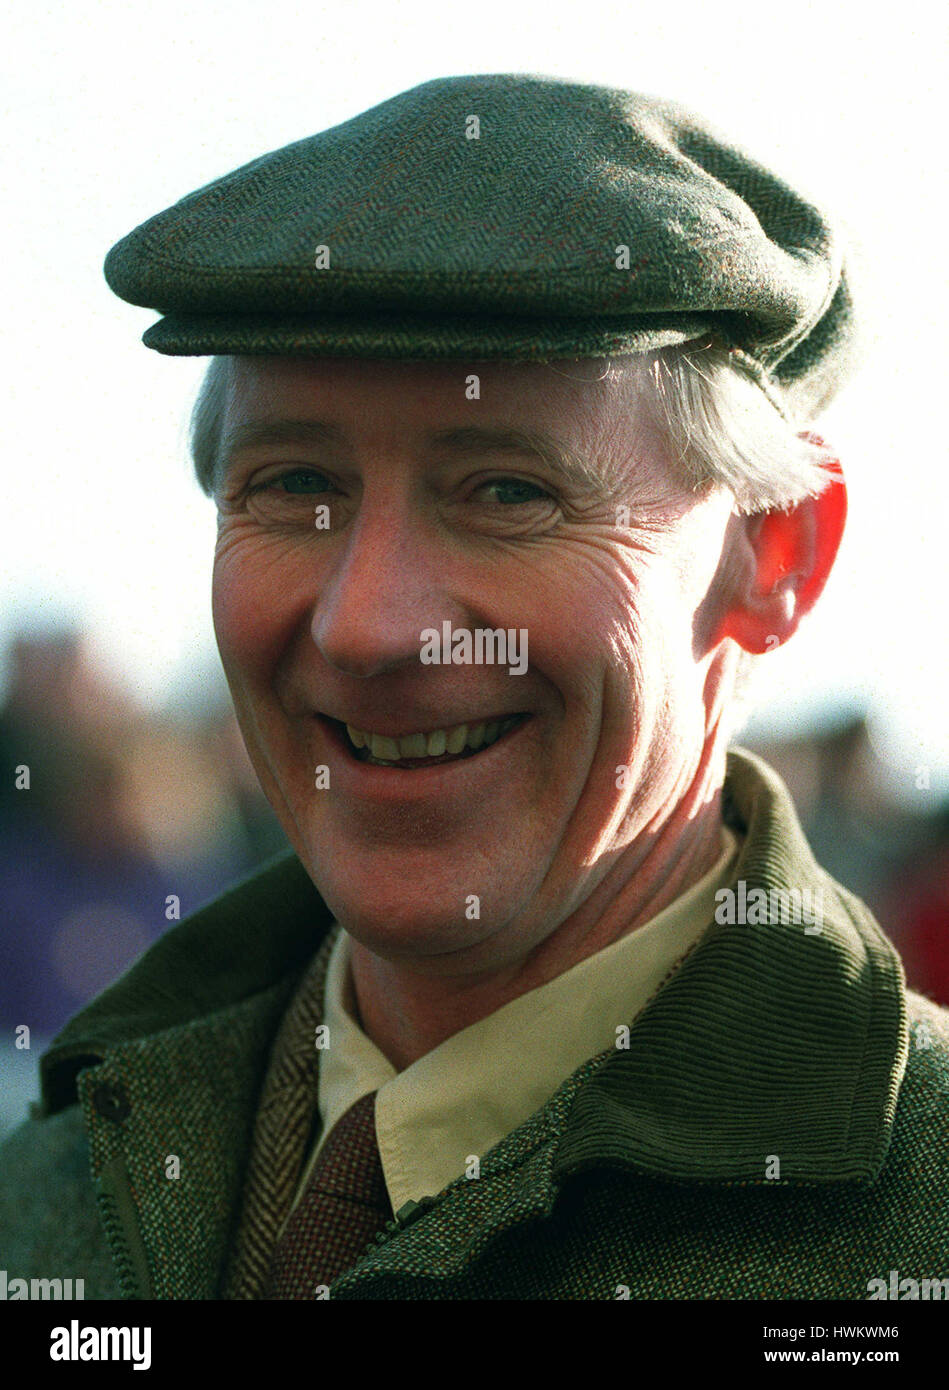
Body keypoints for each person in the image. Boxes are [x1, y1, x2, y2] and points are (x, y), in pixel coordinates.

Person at [1, 73, 946, 1302]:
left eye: (506, 492)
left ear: (772, 558)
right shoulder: (55, 1190)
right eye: (294, 486)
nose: (368, 626)